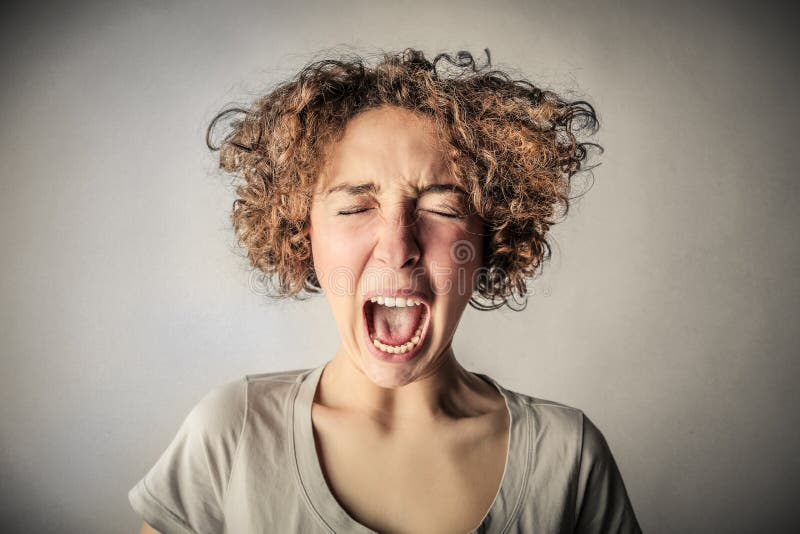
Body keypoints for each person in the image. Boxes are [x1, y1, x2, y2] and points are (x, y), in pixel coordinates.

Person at [129, 48, 642, 534]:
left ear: (491, 238)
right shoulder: (232, 434)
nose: (398, 248)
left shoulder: (568, 456)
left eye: (442, 209)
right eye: (355, 208)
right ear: (302, 233)